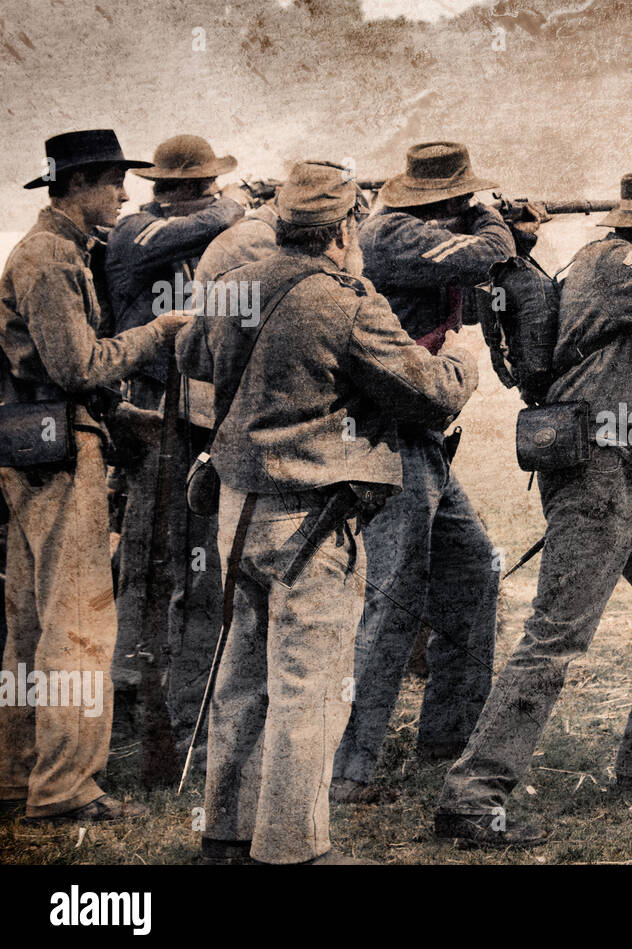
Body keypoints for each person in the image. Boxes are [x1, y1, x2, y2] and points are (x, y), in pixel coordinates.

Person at [435, 168, 632, 847]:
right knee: (555, 639)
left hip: (629, 481)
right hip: (597, 478)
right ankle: (471, 796)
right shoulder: (615, 265)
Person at [176, 160, 481, 865]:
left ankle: (225, 838)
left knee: (243, 681)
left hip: (236, 509)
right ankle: (295, 850)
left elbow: (192, 353)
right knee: (308, 690)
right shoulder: (345, 301)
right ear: (345, 228)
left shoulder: (229, 287)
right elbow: (430, 394)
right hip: (311, 522)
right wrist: (462, 359)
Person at [0, 129, 188, 824]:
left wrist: (124, 414)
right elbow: (76, 366)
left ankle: (20, 774)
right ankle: (67, 788)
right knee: (78, 625)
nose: (125, 196)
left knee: (29, 626)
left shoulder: (50, 251)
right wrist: (158, 333)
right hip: (56, 458)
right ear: (80, 186)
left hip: (32, 449)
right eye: (115, 183)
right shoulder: (50, 258)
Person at [331, 143, 510, 803]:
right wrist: (497, 222)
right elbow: (485, 253)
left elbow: (487, 275)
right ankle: (348, 768)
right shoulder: (393, 234)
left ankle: (449, 734)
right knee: (393, 600)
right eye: (462, 201)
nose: (469, 209)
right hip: (386, 437)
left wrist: (507, 233)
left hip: (421, 438)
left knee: (473, 570)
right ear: (439, 205)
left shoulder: (420, 233)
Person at [104, 135, 245, 749]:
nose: (214, 197)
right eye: (205, 187)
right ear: (183, 191)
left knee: (191, 571)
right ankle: (135, 714)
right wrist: (238, 203)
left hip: (189, 419)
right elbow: (206, 223)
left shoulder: (198, 233)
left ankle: (167, 713)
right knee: (147, 567)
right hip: (151, 418)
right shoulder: (134, 232)